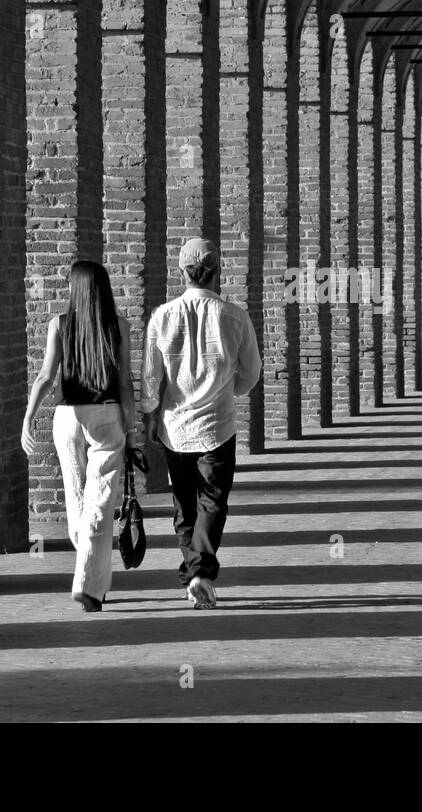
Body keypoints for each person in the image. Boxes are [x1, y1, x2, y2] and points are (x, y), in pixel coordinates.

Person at [141, 238, 262, 609]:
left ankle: (194, 572)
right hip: (217, 425)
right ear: (216, 270)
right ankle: (200, 574)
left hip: (175, 426)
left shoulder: (162, 316)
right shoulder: (235, 316)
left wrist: (149, 416)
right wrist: (231, 389)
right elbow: (251, 372)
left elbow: (150, 377)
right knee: (212, 503)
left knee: (184, 506)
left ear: (182, 272)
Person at [23, 260, 143, 612]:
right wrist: (132, 431)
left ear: (74, 289)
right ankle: (88, 584)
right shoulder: (118, 326)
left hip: (66, 417)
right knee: (101, 502)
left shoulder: (58, 325)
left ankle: (92, 579)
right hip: (106, 414)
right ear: (104, 288)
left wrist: (29, 417)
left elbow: (46, 376)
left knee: (76, 497)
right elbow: (124, 383)